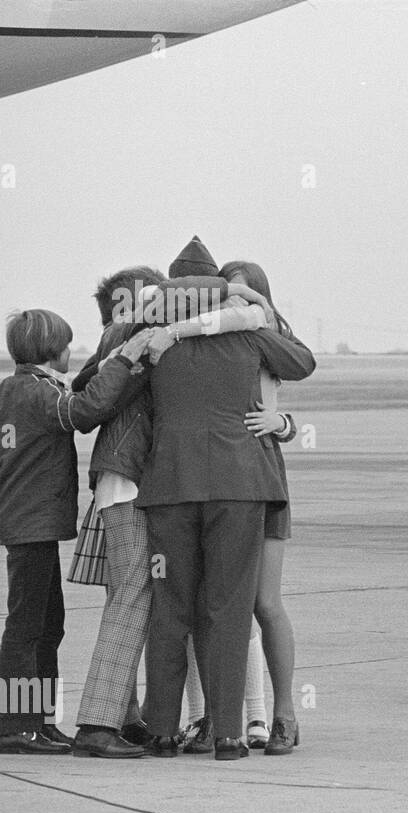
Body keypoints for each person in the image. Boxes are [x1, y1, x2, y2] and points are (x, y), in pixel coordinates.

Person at [71, 260, 273, 758]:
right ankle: (100, 724)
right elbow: (90, 396)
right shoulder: (136, 335)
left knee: (147, 599)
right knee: (137, 598)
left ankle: (138, 720)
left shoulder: (140, 334)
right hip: (134, 481)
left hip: (135, 480)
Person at [138, 247, 315, 761]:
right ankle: (231, 736)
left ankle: (164, 731)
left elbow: (101, 378)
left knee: (170, 609)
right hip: (240, 486)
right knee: (230, 610)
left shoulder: (150, 334)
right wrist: (255, 303)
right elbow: (302, 360)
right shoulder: (251, 332)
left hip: (170, 486)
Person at [0, 309, 158, 753]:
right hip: (32, 526)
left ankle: (40, 722)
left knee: (48, 627)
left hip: (24, 523)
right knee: (27, 628)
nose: (73, 352)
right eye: (68, 346)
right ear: (53, 350)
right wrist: (125, 361)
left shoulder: (3, 393)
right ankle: (14, 728)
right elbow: (86, 412)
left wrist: (13, 466)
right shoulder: (40, 393)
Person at [179, 259, 303, 756]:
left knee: (264, 603)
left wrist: (285, 424)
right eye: (227, 295)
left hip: (264, 479)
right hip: (220, 485)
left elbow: (299, 364)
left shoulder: (265, 337)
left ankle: (284, 713)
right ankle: (218, 717)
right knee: (216, 609)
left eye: (244, 296)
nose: (234, 304)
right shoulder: (210, 339)